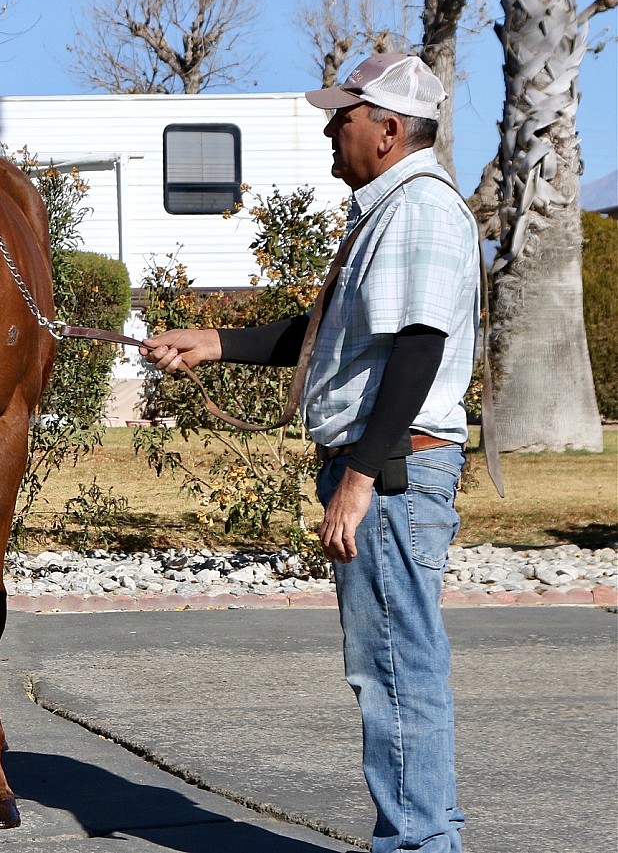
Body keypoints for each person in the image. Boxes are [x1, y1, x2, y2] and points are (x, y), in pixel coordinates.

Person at [142, 52, 478, 853]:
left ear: (389, 131)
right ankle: (426, 838)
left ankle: (422, 846)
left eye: (345, 116)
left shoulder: (420, 210)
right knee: (396, 667)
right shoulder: (387, 208)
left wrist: (359, 479)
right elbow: (334, 337)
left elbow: (418, 350)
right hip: (387, 466)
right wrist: (214, 342)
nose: (331, 128)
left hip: (393, 471)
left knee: (395, 672)